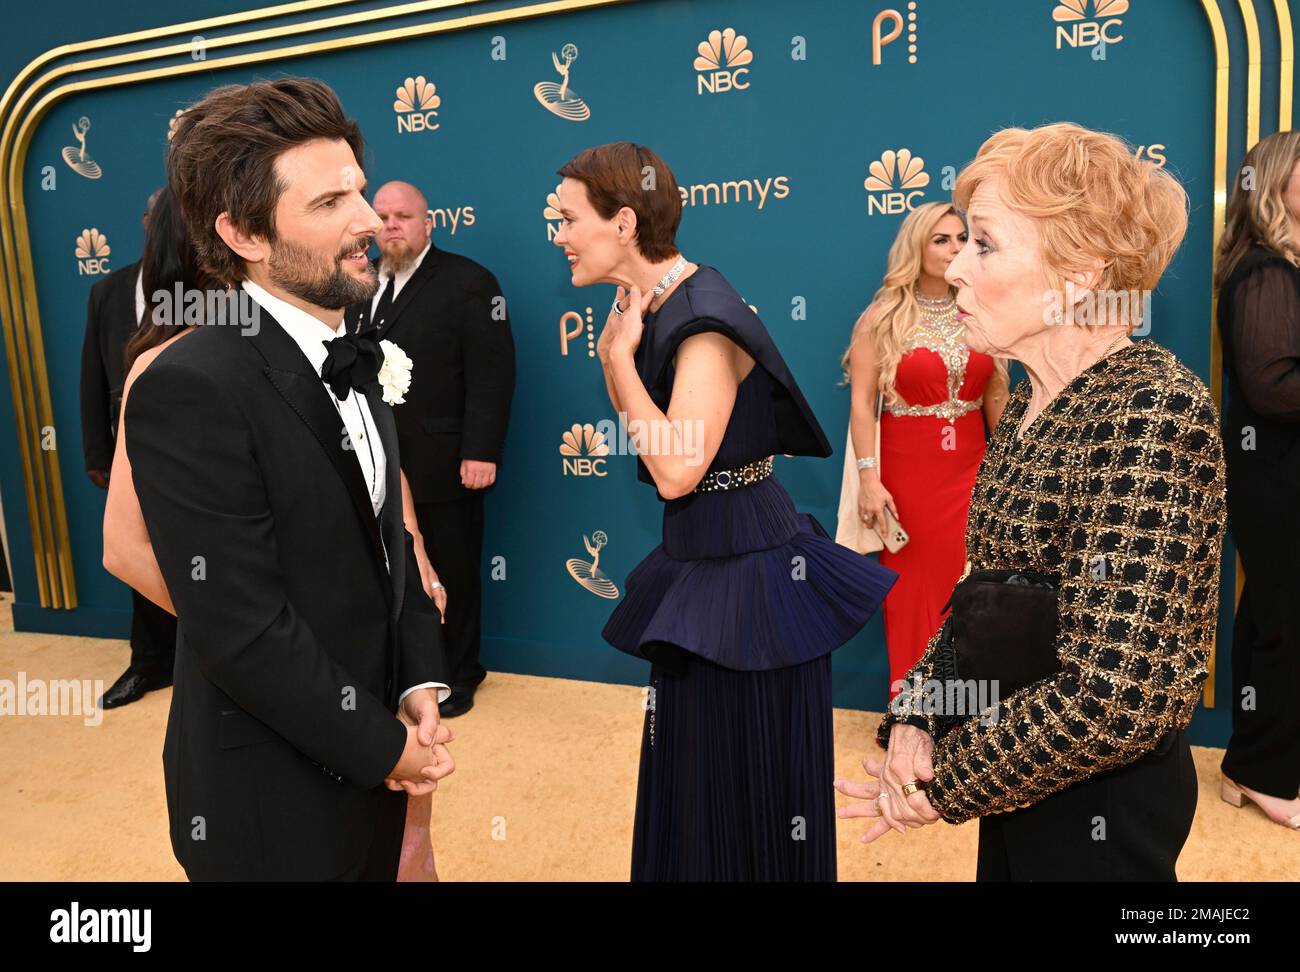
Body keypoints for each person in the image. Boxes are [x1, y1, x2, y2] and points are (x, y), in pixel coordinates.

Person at [839, 122, 1228, 880]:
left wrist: (945, 787)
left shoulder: (1151, 409)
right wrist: (919, 712)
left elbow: (1115, 698)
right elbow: (989, 602)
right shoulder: (1027, 400)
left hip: (1099, 812)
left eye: (983, 244)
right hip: (1019, 778)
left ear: (1076, 276)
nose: (955, 270)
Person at [124, 77, 454, 880]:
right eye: (329, 203)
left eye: (362, 192)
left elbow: (387, 538)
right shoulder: (194, 383)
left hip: (371, 753)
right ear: (243, 234)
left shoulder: (353, 348)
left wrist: (416, 678)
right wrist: (386, 750)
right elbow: (242, 627)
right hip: (271, 792)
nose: (369, 221)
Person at [555, 142, 898, 880]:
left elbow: (675, 470)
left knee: (746, 774)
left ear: (621, 223)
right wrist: (618, 349)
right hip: (700, 554)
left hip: (747, 566)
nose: (557, 235)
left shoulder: (704, 319)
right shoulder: (643, 305)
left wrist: (617, 362)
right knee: (696, 768)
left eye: (567, 218)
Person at [348, 179, 515, 718]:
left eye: (403, 216)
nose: (391, 225)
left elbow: (493, 374)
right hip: (373, 462)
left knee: (454, 572)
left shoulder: (470, 283)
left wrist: (481, 451)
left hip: (446, 465)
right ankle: (406, 673)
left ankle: (461, 673)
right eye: (383, 216)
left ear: (428, 223)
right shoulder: (356, 283)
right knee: (386, 573)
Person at [838, 201, 1008, 694]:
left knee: (972, 589)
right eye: (941, 239)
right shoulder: (883, 316)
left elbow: (995, 395)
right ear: (917, 245)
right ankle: (913, 715)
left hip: (973, 471)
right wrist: (870, 479)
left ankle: (964, 719)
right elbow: (861, 403)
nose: (954, 248)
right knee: (912, 596)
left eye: (963, 239)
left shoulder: (981, 307)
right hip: (908, 480)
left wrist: (1008, 469)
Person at [1214, 130, 1300, 830]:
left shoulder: (1284, 267)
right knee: (1288, 620)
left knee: (1270, 613)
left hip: (1280, 471)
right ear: (1273, 184)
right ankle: (1265, 770)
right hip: (1276, 474)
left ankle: (1250, 760)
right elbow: (1274, 388)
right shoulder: (1264, 271)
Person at [80, 186, 178, 709]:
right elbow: (93, 374)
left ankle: (201, 657)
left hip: (190, 451)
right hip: (128, 452)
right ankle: (149, 663)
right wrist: (98, 450)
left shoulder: (215, 295)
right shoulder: (108, 291)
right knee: (137, 553)